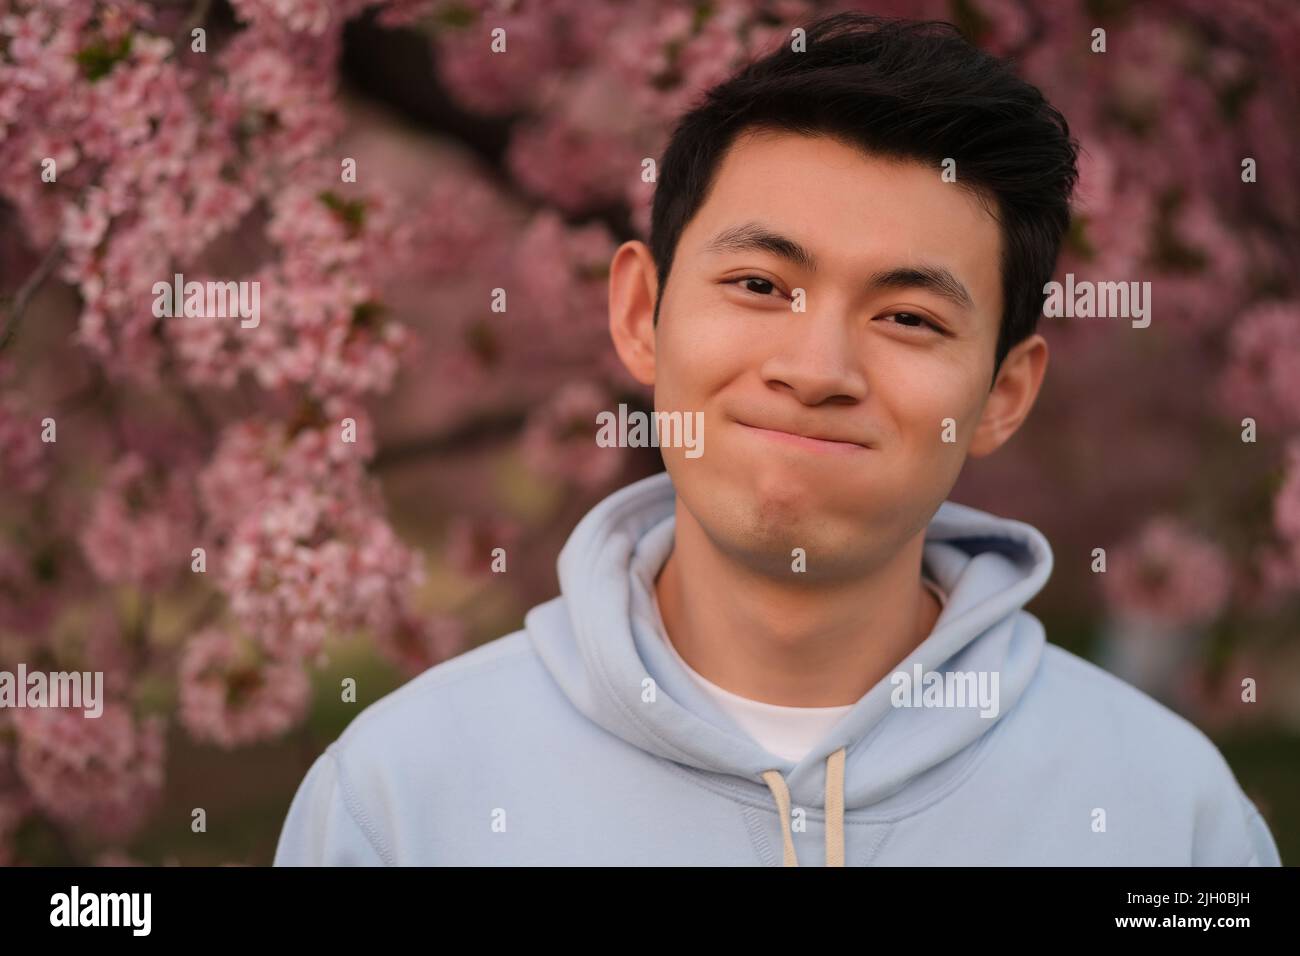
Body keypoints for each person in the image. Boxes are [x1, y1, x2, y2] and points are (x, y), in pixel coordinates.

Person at [274, 12, 1281, 866]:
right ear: (638, 312)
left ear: (1001, 393)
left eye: (909, 318)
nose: (816, 368)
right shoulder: (401, 797)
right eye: (759, 285)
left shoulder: (1167, 815)